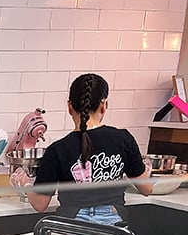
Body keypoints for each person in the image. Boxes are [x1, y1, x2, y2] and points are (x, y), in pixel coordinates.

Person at [26, 72, 153, 224]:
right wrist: (145, 171)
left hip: (71, 226)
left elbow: (40, 204)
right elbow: (147, 189)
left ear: (69, 107)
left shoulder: (58, 150)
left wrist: (25, 185)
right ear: (104, 105)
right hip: (114, 229)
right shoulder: (123, 139)